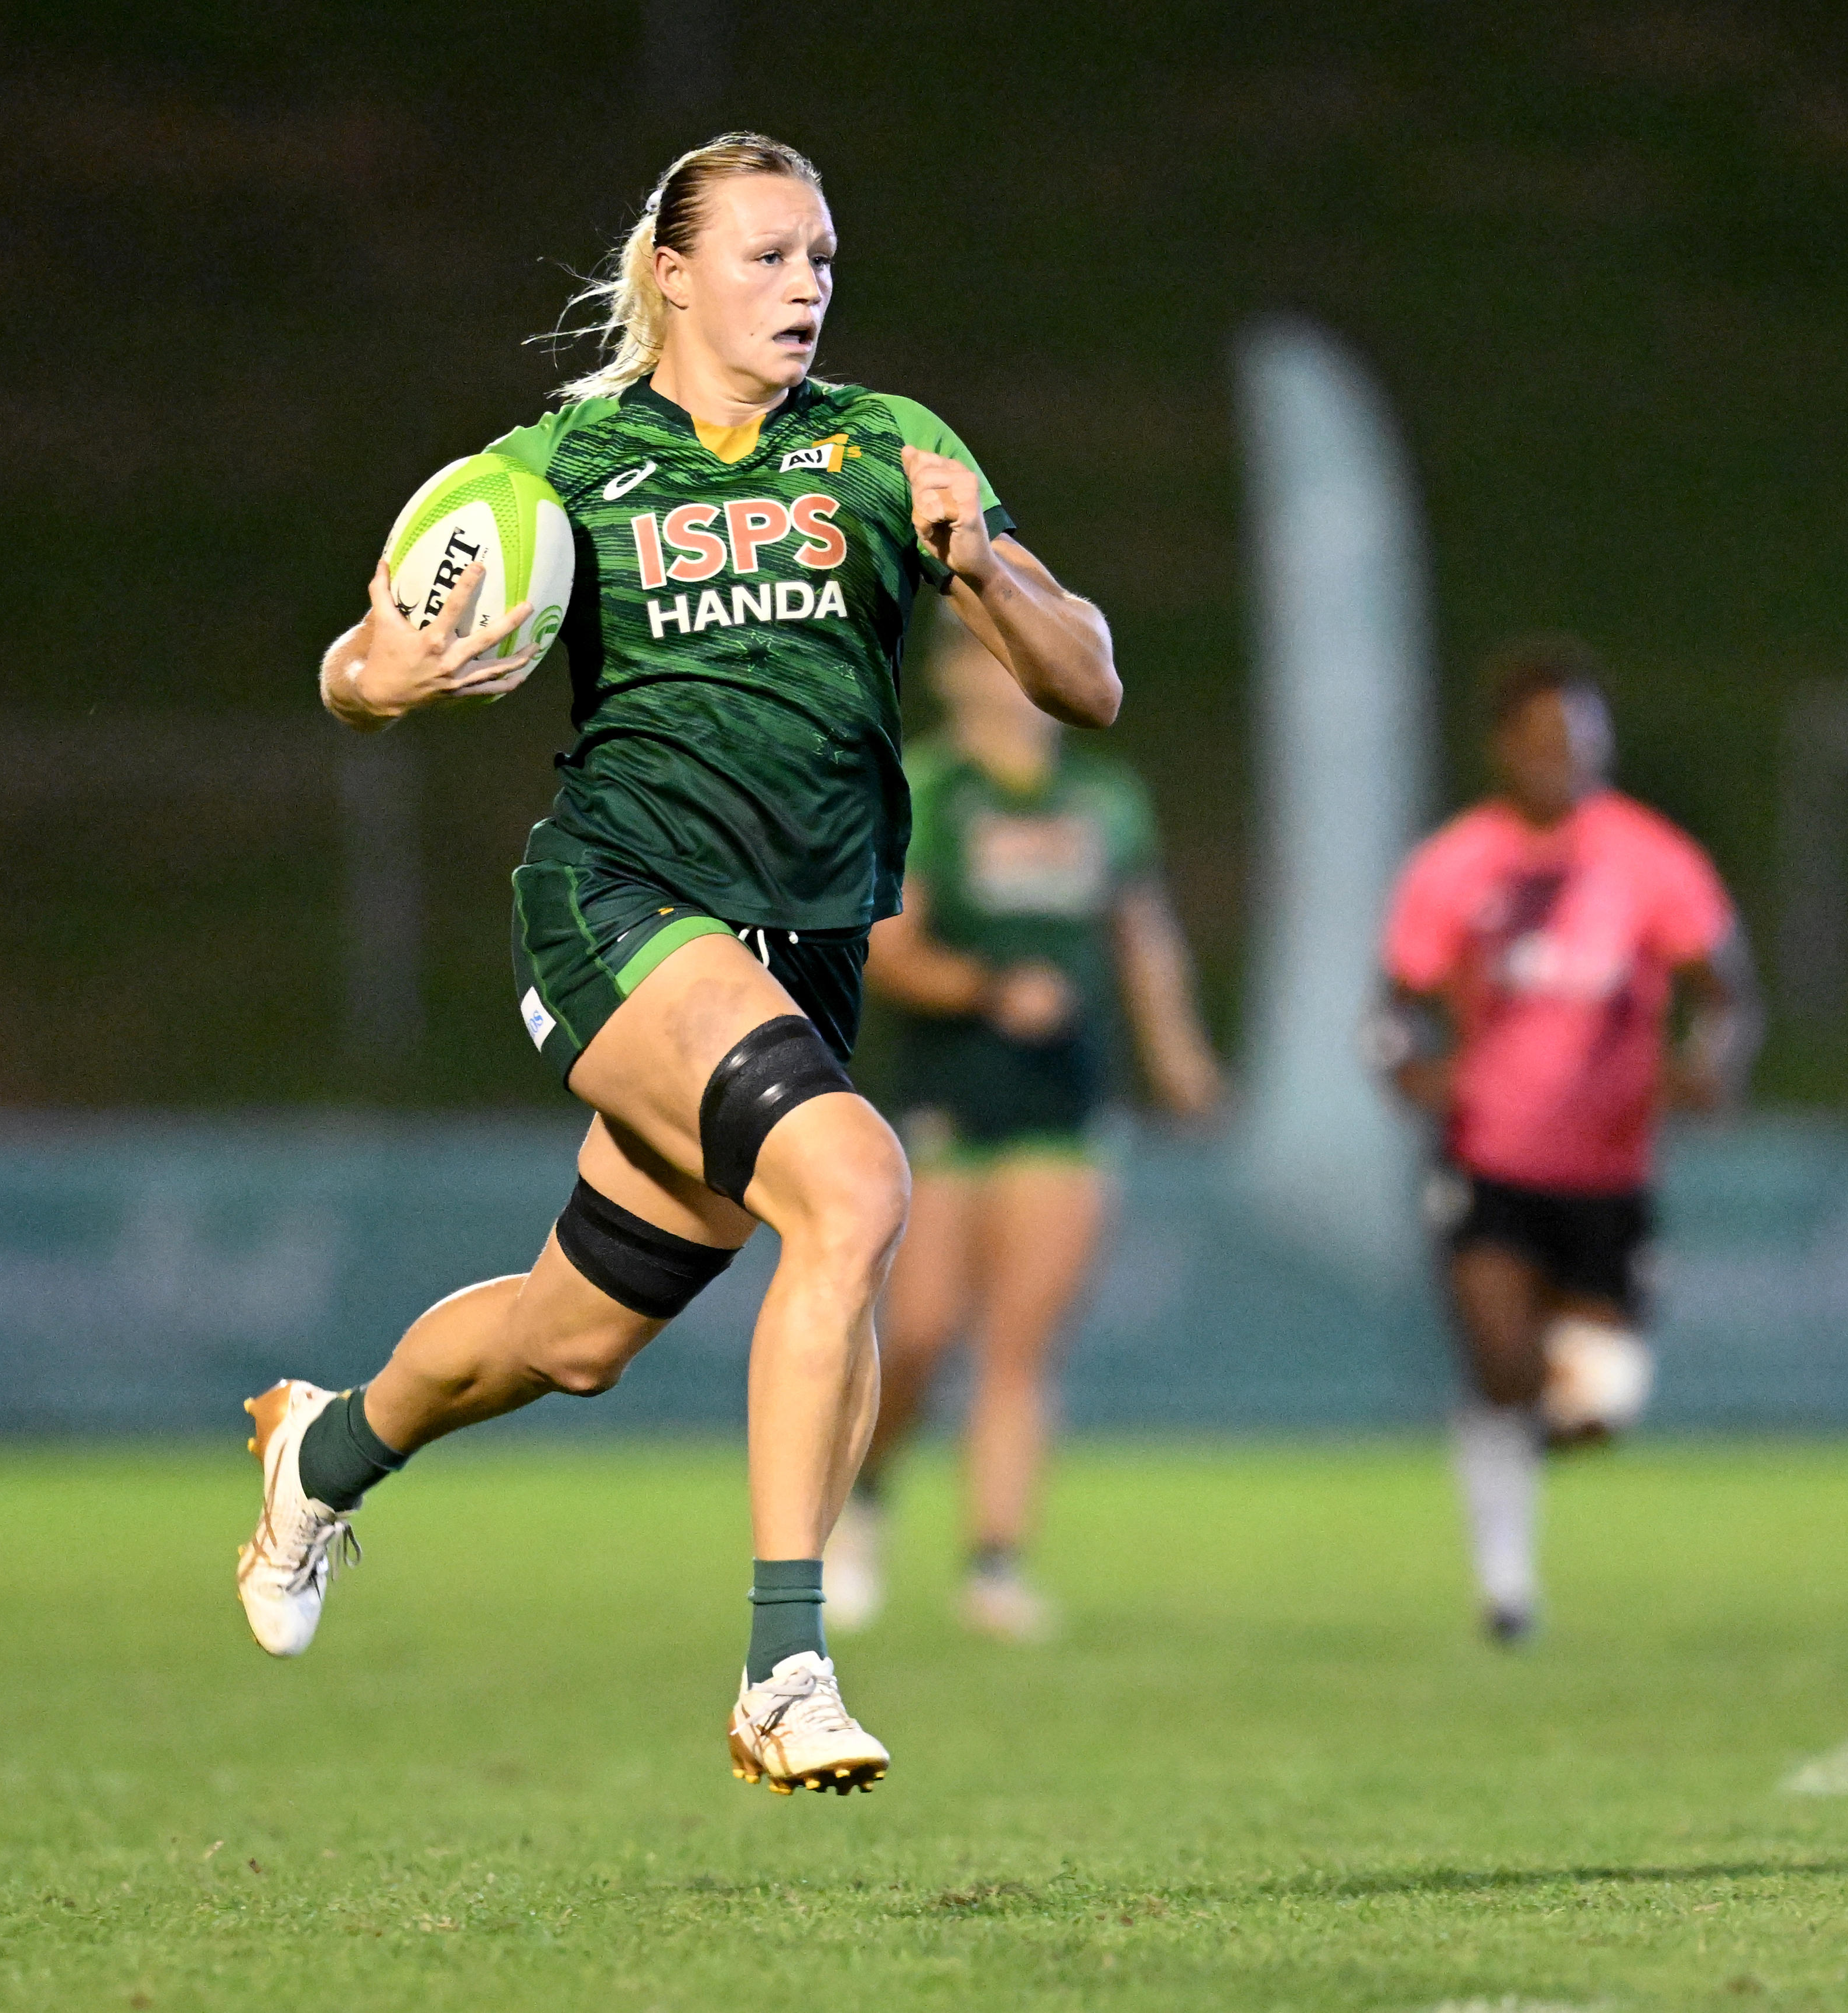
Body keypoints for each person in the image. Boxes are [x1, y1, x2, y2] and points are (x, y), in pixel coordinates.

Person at [234, 134, 1122, 1795]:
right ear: (674, 271)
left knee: (572, 1336)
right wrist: (386, 679)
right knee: (852, 1187)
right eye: (773, 256)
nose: (806, 289)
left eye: (825, 263)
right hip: (620, 907)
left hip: (801, 958)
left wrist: (982, 564)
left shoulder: (888, 448)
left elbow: (1090, 683)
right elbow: (368, 652)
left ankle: (326, 1443)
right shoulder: (565, 463)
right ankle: (786, 1664)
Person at [826, 613, 1222, 1642]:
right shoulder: (926, 788)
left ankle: (994, 1565)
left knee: (1019, 1347)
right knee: (916, 1334)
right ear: (959, 677)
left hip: (1066, 1103)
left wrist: (1179, 1055)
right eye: (988, 659)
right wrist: (990, 989)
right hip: (953, 1093)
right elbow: (889, 945)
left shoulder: (1105, 799)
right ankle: (863, 1506)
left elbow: (1144, 939)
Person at [1370, 639, 1755, 1644]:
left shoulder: (1652, 860)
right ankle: (1505, 1587)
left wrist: (1714, 1062)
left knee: (1594, 1410)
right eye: (1542, 740)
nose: (1563, 759)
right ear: (1505, 747)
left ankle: (1511, 1449)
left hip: (1609, 1173)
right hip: (1488, 1160)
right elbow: (1394, 1008)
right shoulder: (1455, 865)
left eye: (1581, 742)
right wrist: (1410, 1070)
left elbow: (1728, 995)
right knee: (1498, 1358)